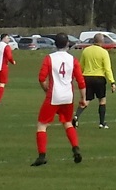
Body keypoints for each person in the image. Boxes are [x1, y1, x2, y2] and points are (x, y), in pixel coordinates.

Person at [32, 33, 83, 166]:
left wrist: (45, 89)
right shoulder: (73, 60)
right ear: (67, 44)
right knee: (67, 123)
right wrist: (83, 98)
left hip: (54, 96)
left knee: (42, 125)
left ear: (55, 44)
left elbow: (41, 78)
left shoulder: (50, 58)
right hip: (68, 97)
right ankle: (75, 148)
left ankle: (42, 156)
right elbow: (81, 81)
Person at [76, 37, 116, 128]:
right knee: (102, 100)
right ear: (101, 41)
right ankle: (101, 123)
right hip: (99, 78)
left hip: (87, 77)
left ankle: (76, 116)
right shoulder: (103, 52)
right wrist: (112, 82)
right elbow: (107, 69)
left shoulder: (86, 51)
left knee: (86, 100)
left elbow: (81, 66)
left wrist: (79, 77)